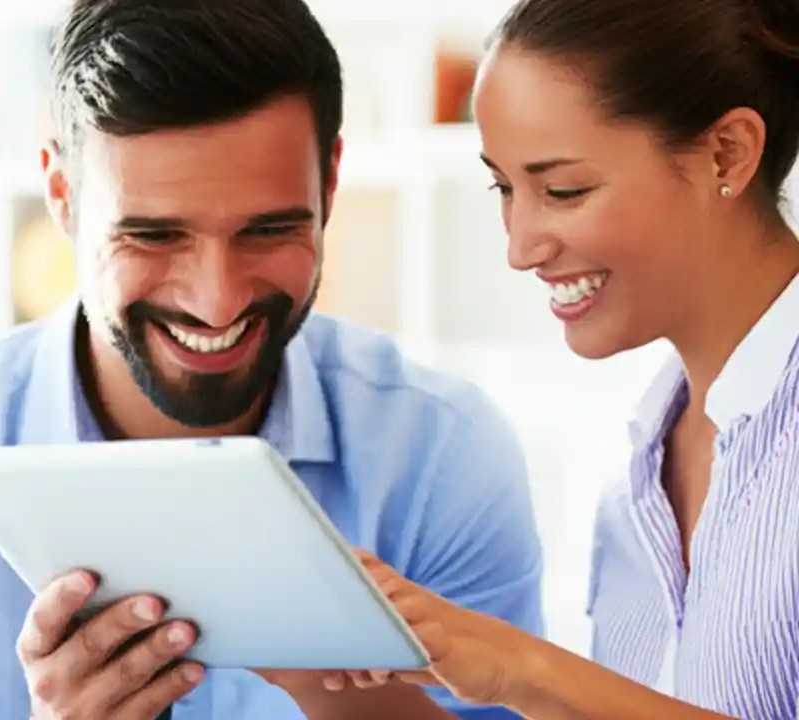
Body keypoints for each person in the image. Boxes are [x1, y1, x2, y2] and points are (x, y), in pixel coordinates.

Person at [0, 2, 542, 719]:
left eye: (268, 230)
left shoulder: (441, 457)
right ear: (62, 195)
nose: (216, 301)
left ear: (330, 184)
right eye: (154, 236)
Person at [298, 0, 799, 718]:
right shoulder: (639, 482)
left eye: (563, 191)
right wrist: (320, 676)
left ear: (727, 154)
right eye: (505, 188)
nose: (520, 246)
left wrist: (520, 668)